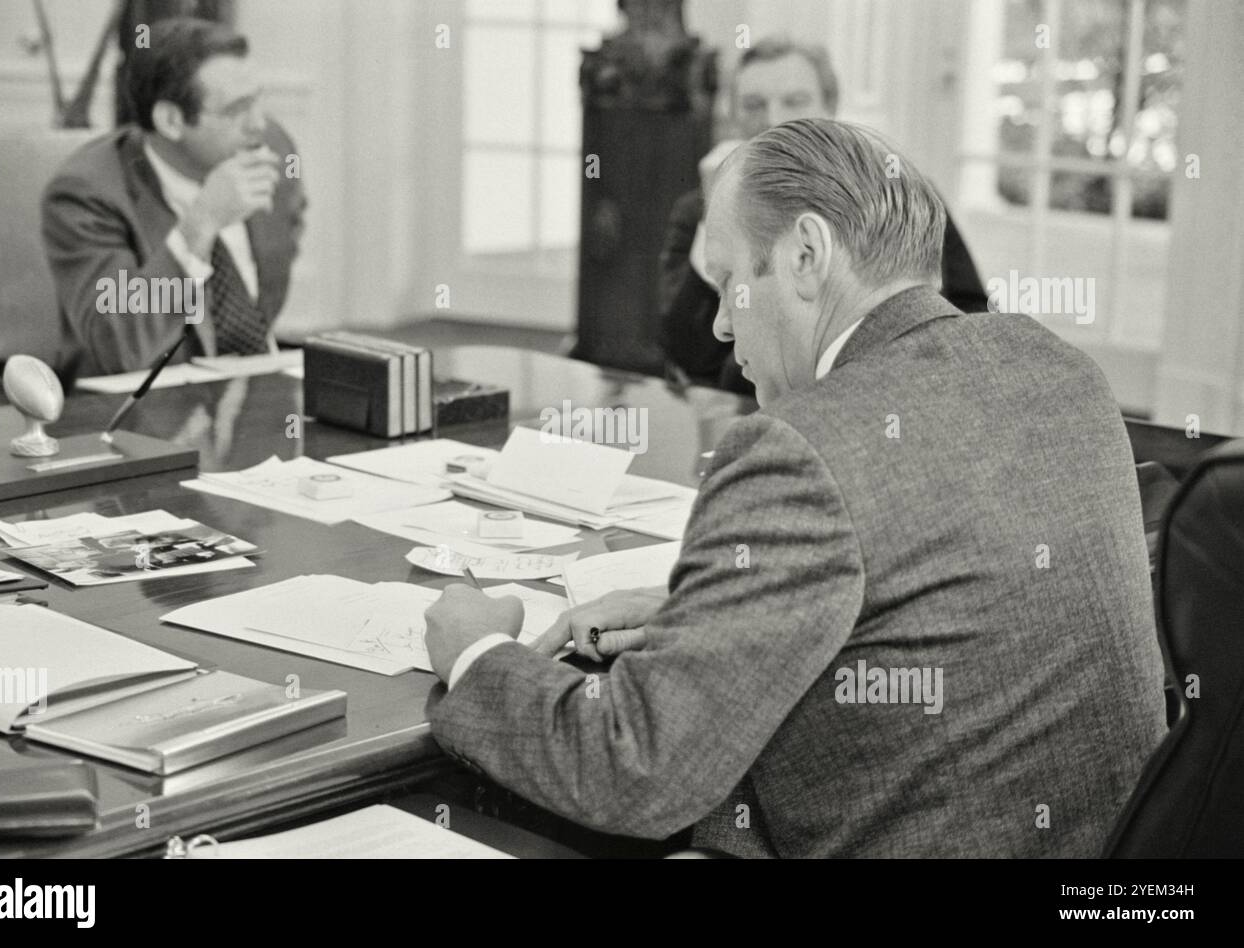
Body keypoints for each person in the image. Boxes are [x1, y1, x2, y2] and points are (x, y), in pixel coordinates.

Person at [422, 119, 1167, 858]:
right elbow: (961, 588)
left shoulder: (796, 452)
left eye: (730, 284)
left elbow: (634, 769)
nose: (716, 325)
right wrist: (713, 617)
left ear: (806, 255)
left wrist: (476, 651)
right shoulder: (1064, 375)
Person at [660, 37, 986, 394]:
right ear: (734, 117)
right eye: (753, 105)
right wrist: (719, 216)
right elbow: (687, 353)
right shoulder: (697, 208)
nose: (772, 119)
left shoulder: (902, 195)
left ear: (830, 107)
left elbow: (971, 313)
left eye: (794, 102)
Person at [42, 17, 305, 377]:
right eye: (236, 109)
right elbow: (120, 346)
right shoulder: (87, 195)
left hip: (260, 392)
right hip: (143, 407)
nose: (258, 123)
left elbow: (284, 245)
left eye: (258, 101)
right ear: (171, 121)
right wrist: (200, 225)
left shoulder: (271, 149)